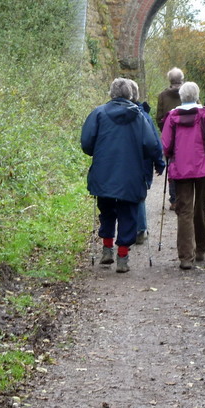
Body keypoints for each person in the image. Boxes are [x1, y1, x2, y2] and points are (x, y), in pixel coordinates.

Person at [81, 78, 161, 273]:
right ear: (130, 95)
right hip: (131, 174)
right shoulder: (139, 117)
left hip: (104, 172)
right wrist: (157, 162)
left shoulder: (98, 113)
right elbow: (151, 145)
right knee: (128, 214)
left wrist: (98, 151)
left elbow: (86, 143)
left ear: (112, 93)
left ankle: (107, 249)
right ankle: (123, 258)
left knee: (106, 211)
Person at [161, 81, 205, 270]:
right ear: (197, 96)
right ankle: (200, 249)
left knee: (184, 210)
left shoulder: (172, 117)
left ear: (182, 97)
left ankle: (186, 257)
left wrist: (169, 156)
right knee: (201, 206)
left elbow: (166, 144)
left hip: (181, 169)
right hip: (203, 168)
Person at [128, 80, 165, 244]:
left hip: (120, 163)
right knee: (139, 196)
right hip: (141, 163)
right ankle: (141, 229)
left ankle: (129, 231)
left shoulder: (109, 113)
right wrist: (159, 163)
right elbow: (154, 143)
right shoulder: (143, 116)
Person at [155, 67, 184, 210]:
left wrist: (165, 131)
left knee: (172, 167)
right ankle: (185, 197)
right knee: (187, 165)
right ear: (182, 79)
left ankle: (174, 200)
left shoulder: (162, 95)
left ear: (170, 80)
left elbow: (159, 118)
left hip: (171, 138)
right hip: (188, 137)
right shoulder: (189, 92)